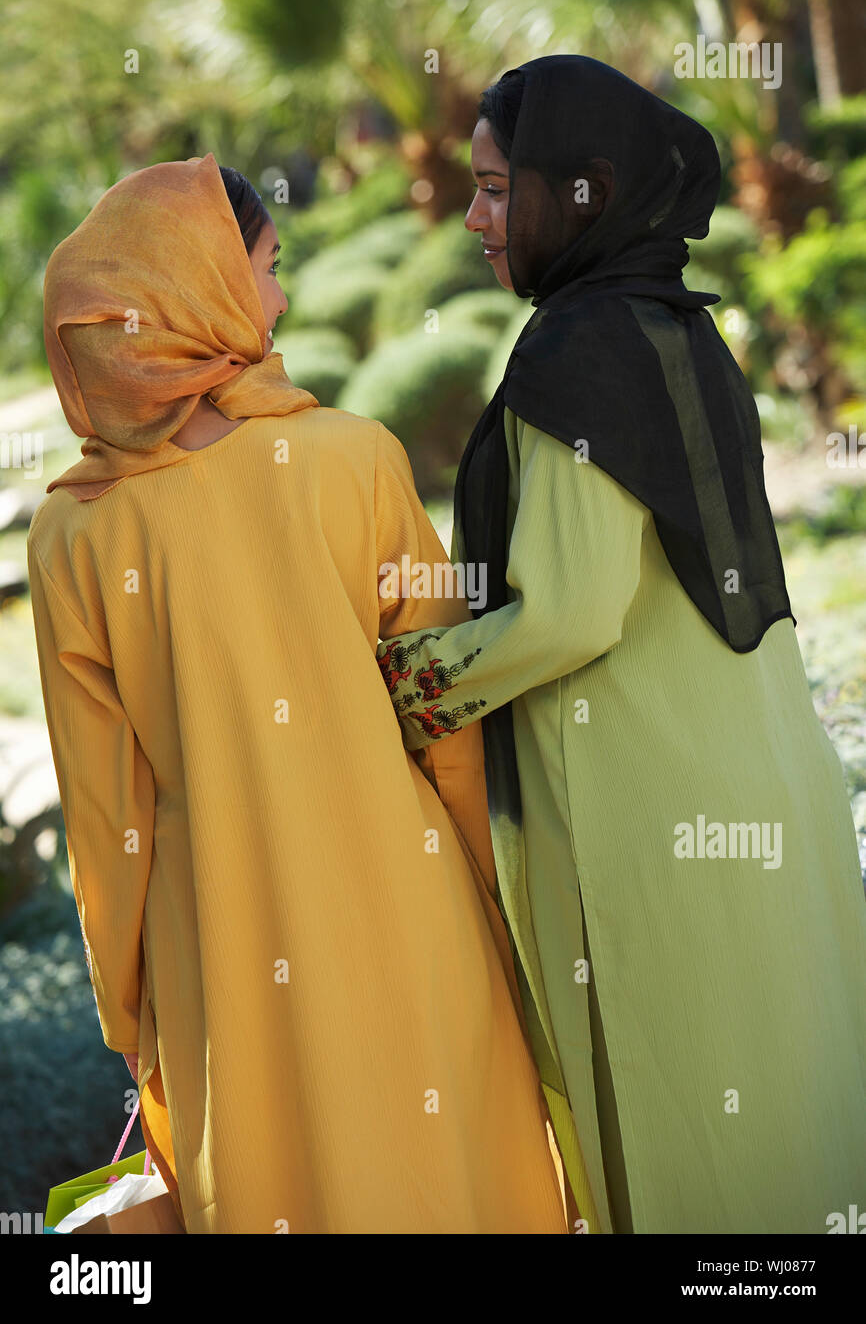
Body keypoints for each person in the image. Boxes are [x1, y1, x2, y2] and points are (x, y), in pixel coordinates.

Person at [26, 152, 571, 1233]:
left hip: (219, 949)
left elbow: (106, 816)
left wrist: (129, 1009)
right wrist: (503, 893)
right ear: (201, 287)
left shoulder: (73, 533)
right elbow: (445, 712)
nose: (278, 298)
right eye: (266, 267)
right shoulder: (354, 460)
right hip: (407, 900)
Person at [375, 55, 866, 1234]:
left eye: (499, 191)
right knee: (791, 1125)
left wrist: (401, 685)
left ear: (580, 192)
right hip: (765, 789)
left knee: (688, 1147)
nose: (476, 219)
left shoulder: (572, 351)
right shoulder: (681, 331)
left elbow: (571, 610)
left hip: (654, 821)